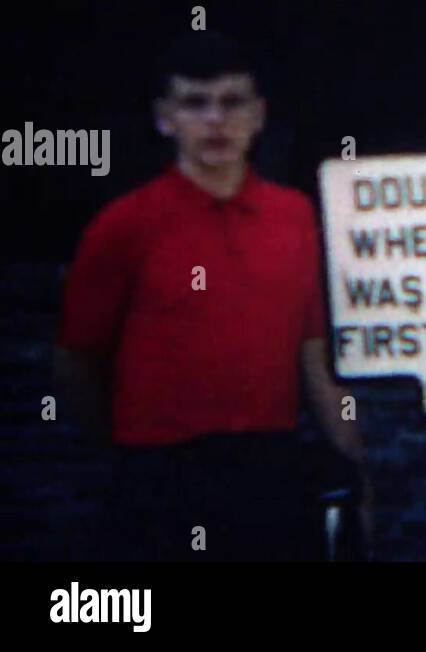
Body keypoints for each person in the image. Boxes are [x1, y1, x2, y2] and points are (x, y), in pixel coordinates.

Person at [53, 31, 372, 561]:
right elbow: (74, 363)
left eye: (232, 102)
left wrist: (357, 472)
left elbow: (314, 357)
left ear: (259, 114)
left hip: (270, 469)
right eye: (195, 103)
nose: (216, 120)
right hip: (162, 477)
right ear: (165, 118)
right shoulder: (124, 225)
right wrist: (133, 450)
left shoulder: (294, 217)